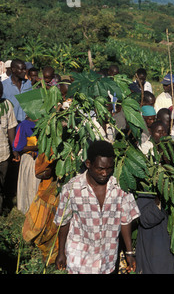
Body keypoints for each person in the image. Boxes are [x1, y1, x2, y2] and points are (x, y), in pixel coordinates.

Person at [53, 140, 140, 274]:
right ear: (88, 164)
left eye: (109, 168)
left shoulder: (120, 186)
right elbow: (63, 222)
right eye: (100, 169)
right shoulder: (72, 188)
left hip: (107, 258)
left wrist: (129, 252)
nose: (105, 173)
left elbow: (126, 220)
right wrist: (61, 252)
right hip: (79, 258)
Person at [22, 153, 60, 263]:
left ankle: (55, 257)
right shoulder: (51, 145)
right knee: (44, 227)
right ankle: (47, 258)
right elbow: (39, 172)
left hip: (58, 196)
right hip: (47, 195)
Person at [13, 116, 40, 214]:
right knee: (30, 186)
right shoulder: (24, 125)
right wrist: (35, 147)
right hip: (29, 160)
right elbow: (18, 147)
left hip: (41, 160)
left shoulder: (45, 123)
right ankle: (29, 210)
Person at [0, 82, 19, 215]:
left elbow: (11, 128)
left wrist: (14, 148)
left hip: (3, 152)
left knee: (2, 182)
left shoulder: (6, 105)